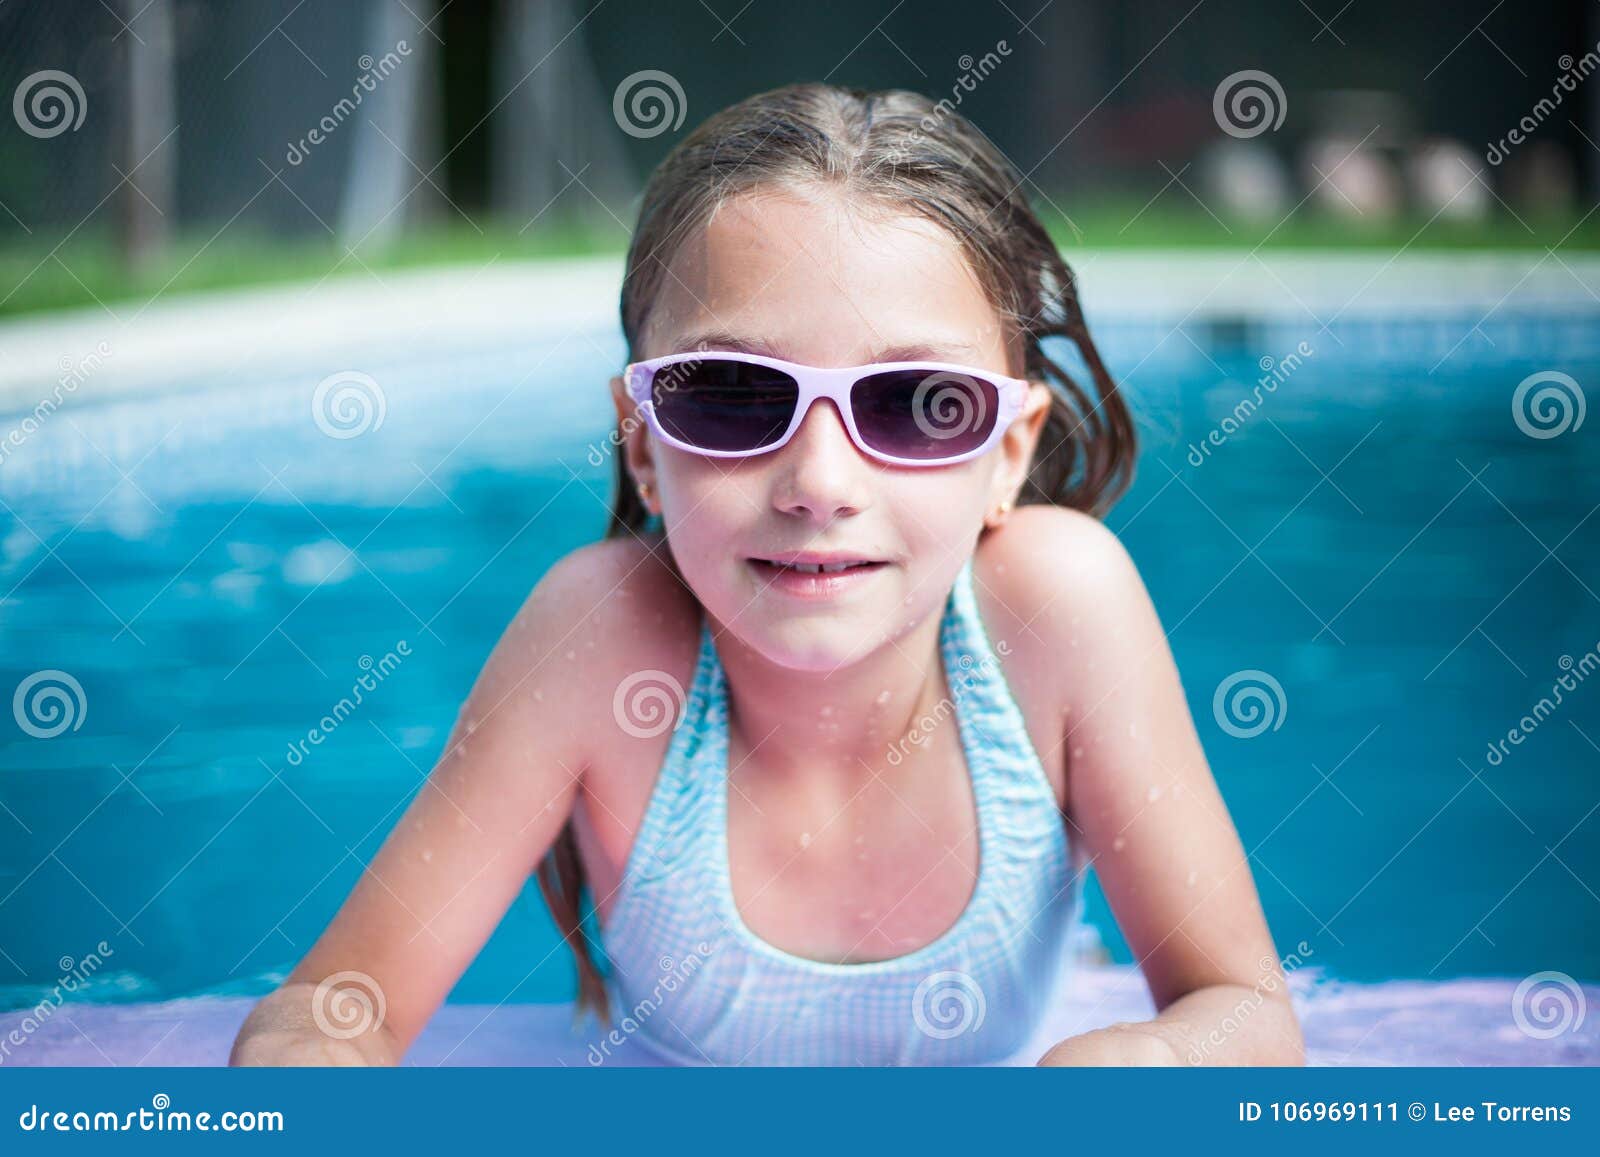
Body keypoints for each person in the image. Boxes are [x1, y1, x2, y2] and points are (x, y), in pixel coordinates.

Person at [231, 83, 1303, 1068]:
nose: (820, 482)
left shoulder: (1059, 613)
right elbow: (340, 1003)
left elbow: (1244, 1010)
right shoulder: (598, 641)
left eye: (916, 402)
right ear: (643, 444)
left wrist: (1150, 1065)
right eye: (734, 396)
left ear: (1007, 454)